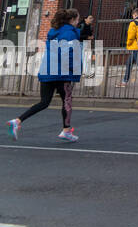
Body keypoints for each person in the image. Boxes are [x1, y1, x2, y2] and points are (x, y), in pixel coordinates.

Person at [8, 8, 83, 142]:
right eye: (77, 19)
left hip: (47, 71)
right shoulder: (69, 34)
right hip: (62, 73)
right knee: (67, 101)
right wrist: (76, 70)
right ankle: (66, 131)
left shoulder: (53, 32)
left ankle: (18, 121)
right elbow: (69, 54)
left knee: (44, 102)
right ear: (71, 20)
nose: (78, 22)